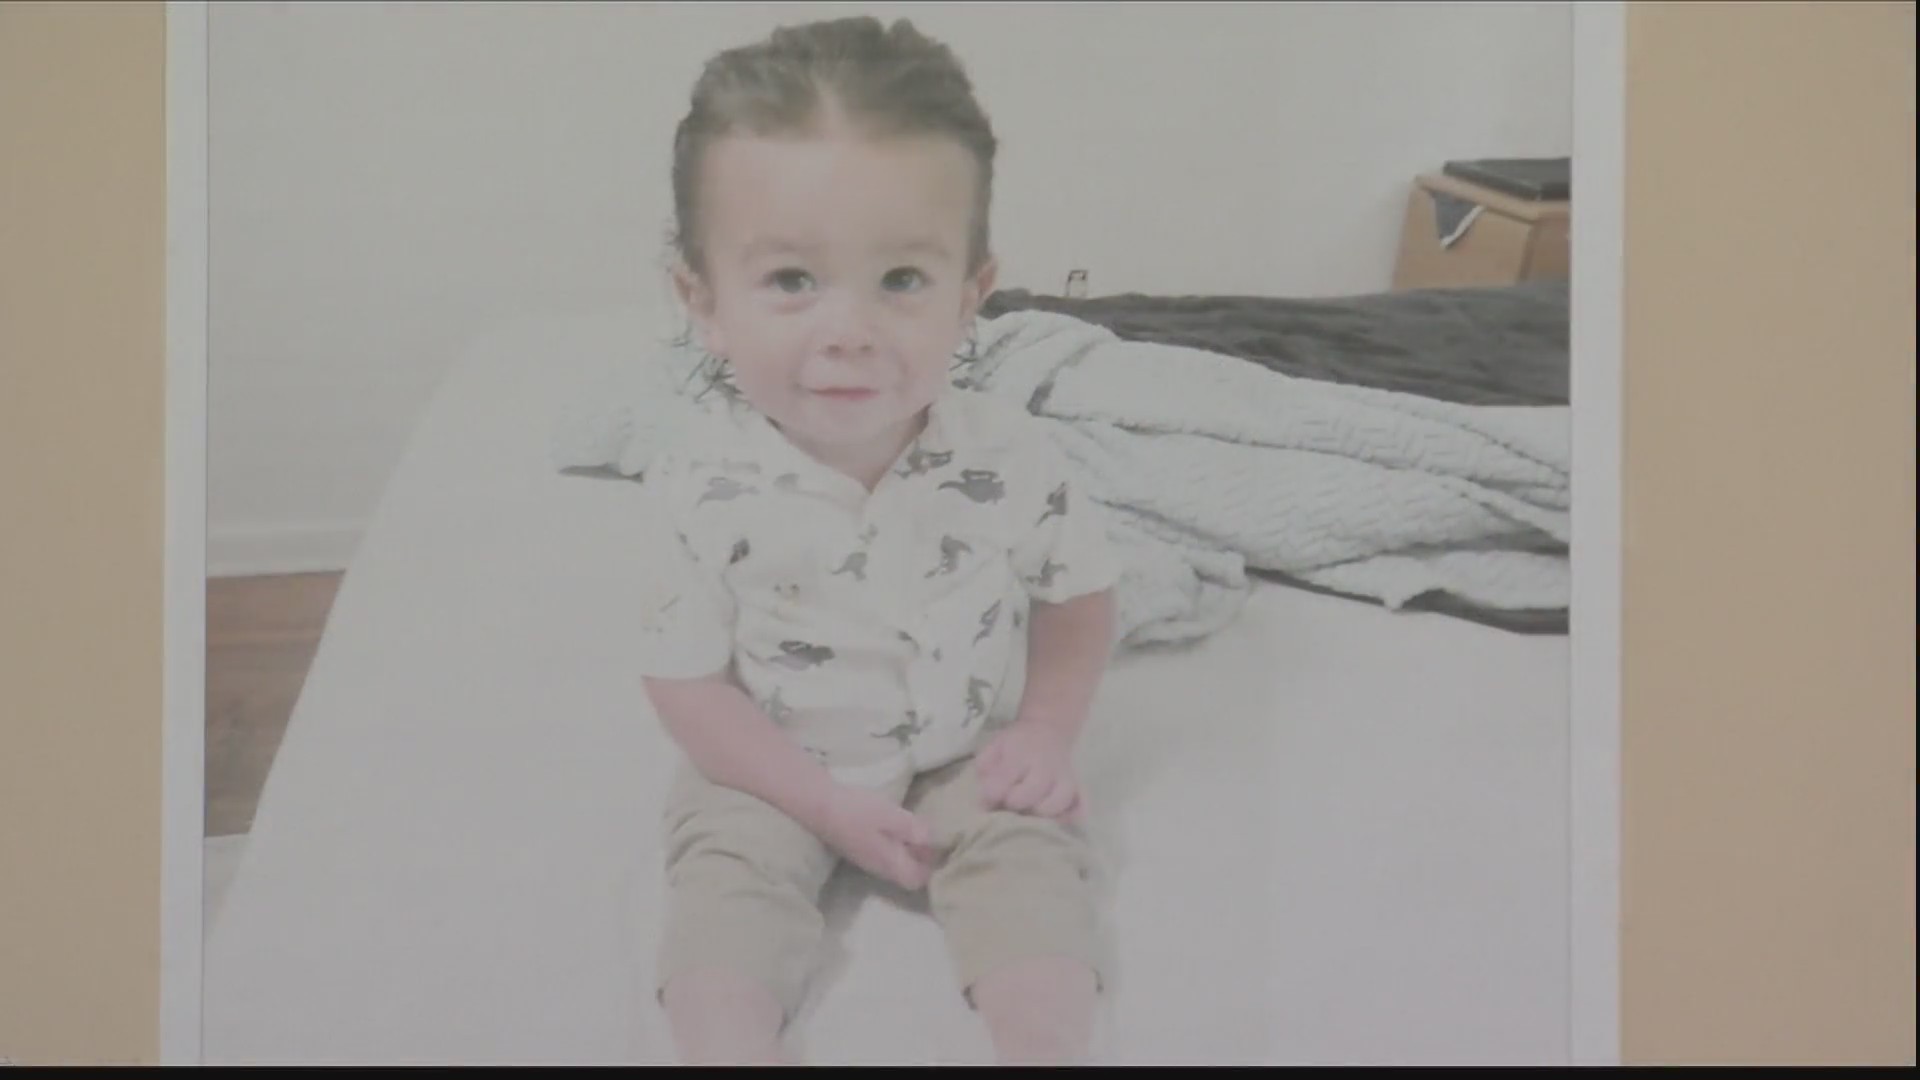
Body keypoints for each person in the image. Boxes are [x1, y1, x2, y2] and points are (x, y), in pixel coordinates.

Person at [633, 15, 1121, 1065]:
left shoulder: (1012, 455)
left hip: (962, 745)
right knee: (723, 880)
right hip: (773, 758)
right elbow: (688, 688)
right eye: (791, 282)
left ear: (971, 294)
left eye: (901, 280)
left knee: (1034, 864)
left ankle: (1044, 1045)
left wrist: (1042, 733)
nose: (847, 329)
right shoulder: (698, 484)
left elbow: (1080, 598)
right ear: (703, 301)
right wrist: (818, 803)